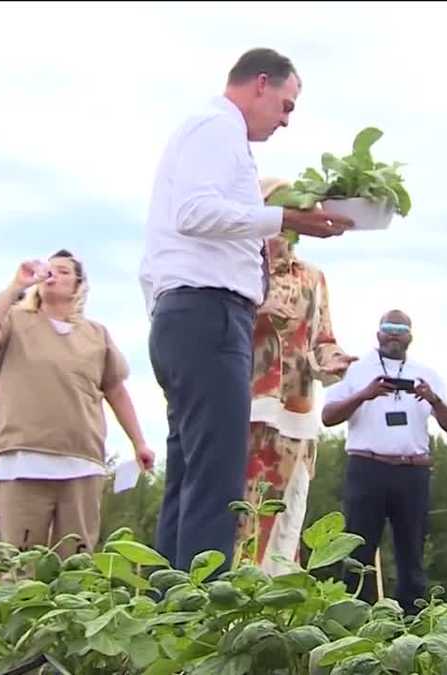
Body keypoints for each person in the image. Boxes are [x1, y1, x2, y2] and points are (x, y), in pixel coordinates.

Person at [139, 47, 352, 572]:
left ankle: (168, 604)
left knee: (191, 476)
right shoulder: (216, 129)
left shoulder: (217, 135)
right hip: (207, 313)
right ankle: (199, 612)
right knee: (216, 480)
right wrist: (283, 218)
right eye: (286, 105)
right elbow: (195, 213)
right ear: (260, 83)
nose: (286, 120)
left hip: (188, 314)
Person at [0, 250, 155, 560]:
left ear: (78, 286)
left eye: (64, 271)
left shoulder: (96, 334)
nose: (53, 275)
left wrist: (139, 442)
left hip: (81, 461)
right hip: (24, 458)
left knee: (76, 563)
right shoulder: (17, 321)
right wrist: (16, 286)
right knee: (22, 563)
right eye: (49, 269)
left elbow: (115, 389)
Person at [236, 177, 357, 573]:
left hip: (298, 414)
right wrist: (258, 313)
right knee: (243, 514)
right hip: (248, 408)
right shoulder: (239, 268)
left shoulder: (313, 277)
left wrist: (336, 360)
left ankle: (277, 605)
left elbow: (322, 339)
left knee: (288, 515)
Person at [322, 310, 447, 613]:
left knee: (411, 552)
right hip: (367, 468)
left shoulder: (427, 373)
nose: (394, 334)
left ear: (410, 336)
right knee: (357, 548)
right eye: (388, 328)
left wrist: (433, 399)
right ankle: (352, 618)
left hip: (412, 471)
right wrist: (365, 394)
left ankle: (410, 620)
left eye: (400, 329)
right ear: (378, 334)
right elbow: (328, 416)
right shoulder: (356, 370)